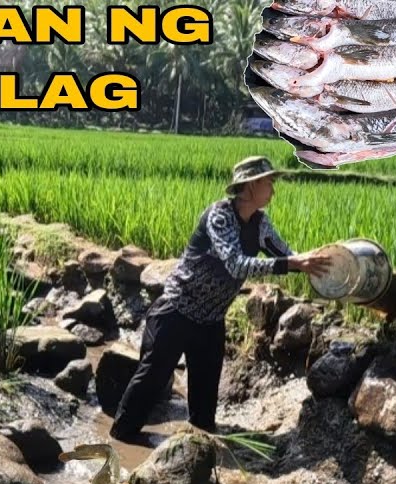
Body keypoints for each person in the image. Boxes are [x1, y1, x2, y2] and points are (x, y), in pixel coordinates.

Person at [108, 156, 332, 441]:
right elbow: (236, 264)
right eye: (268, 182)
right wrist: (292, 263)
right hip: (176, 311)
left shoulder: (260, 224)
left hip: (211, 321)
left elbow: (287, 256)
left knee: (204, 410)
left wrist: (320, 263)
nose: (273, 190)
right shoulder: (220, 216)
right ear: (251, 185)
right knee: (151, 381)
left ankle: (198, 449)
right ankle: (119, 439)